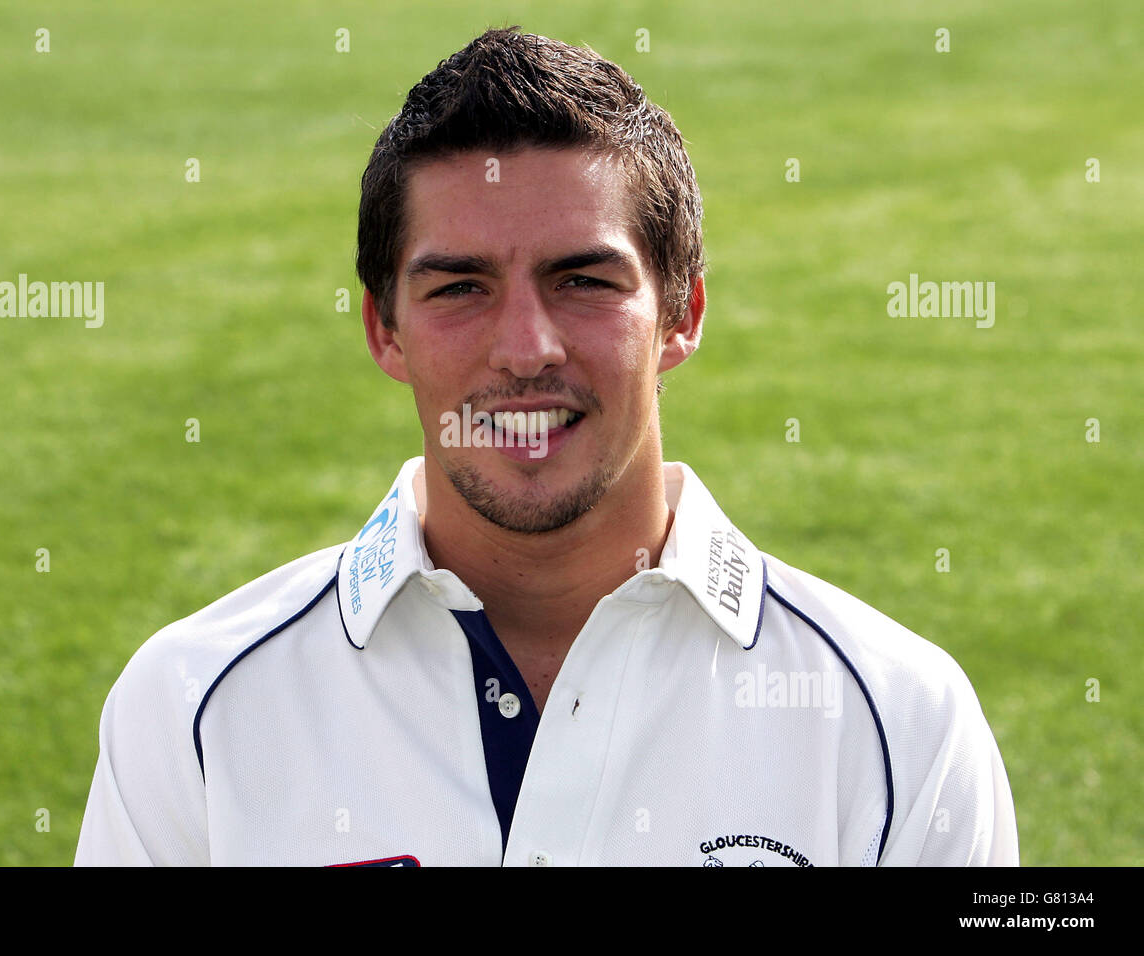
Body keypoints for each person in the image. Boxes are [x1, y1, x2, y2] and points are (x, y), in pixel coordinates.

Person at [75, 26, 1018, 866]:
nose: (525, 348)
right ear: (384, 332)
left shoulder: (896, 721)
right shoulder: (195, 706)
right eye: (459, 288)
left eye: (582, 280)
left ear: (681, 314)